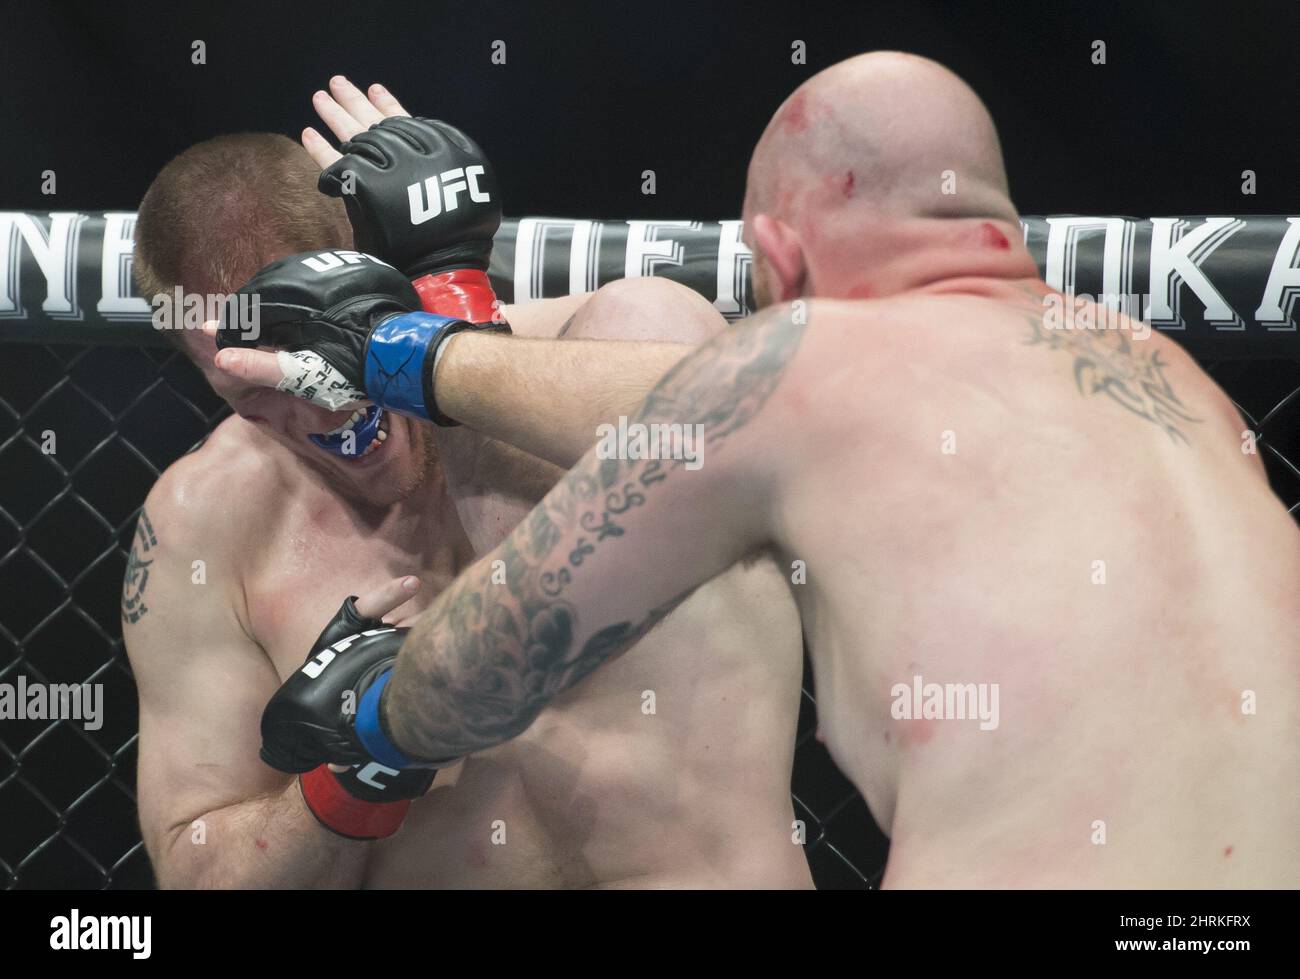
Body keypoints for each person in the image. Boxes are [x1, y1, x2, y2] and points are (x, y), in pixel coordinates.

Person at [238, 53, 1300, 887]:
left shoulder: (806, 363)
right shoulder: (1169, 377)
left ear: (779, 258)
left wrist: (377, 714)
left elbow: (500, 657)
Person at [123, 77, 811, 888]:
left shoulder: (626, 343)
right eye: (250, 390)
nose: (308, 407)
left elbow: (763, 420)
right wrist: (350, 776)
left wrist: (447, 313)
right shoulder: (209, 522)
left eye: (310, 349)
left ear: (375, 274)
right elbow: (197, 872)